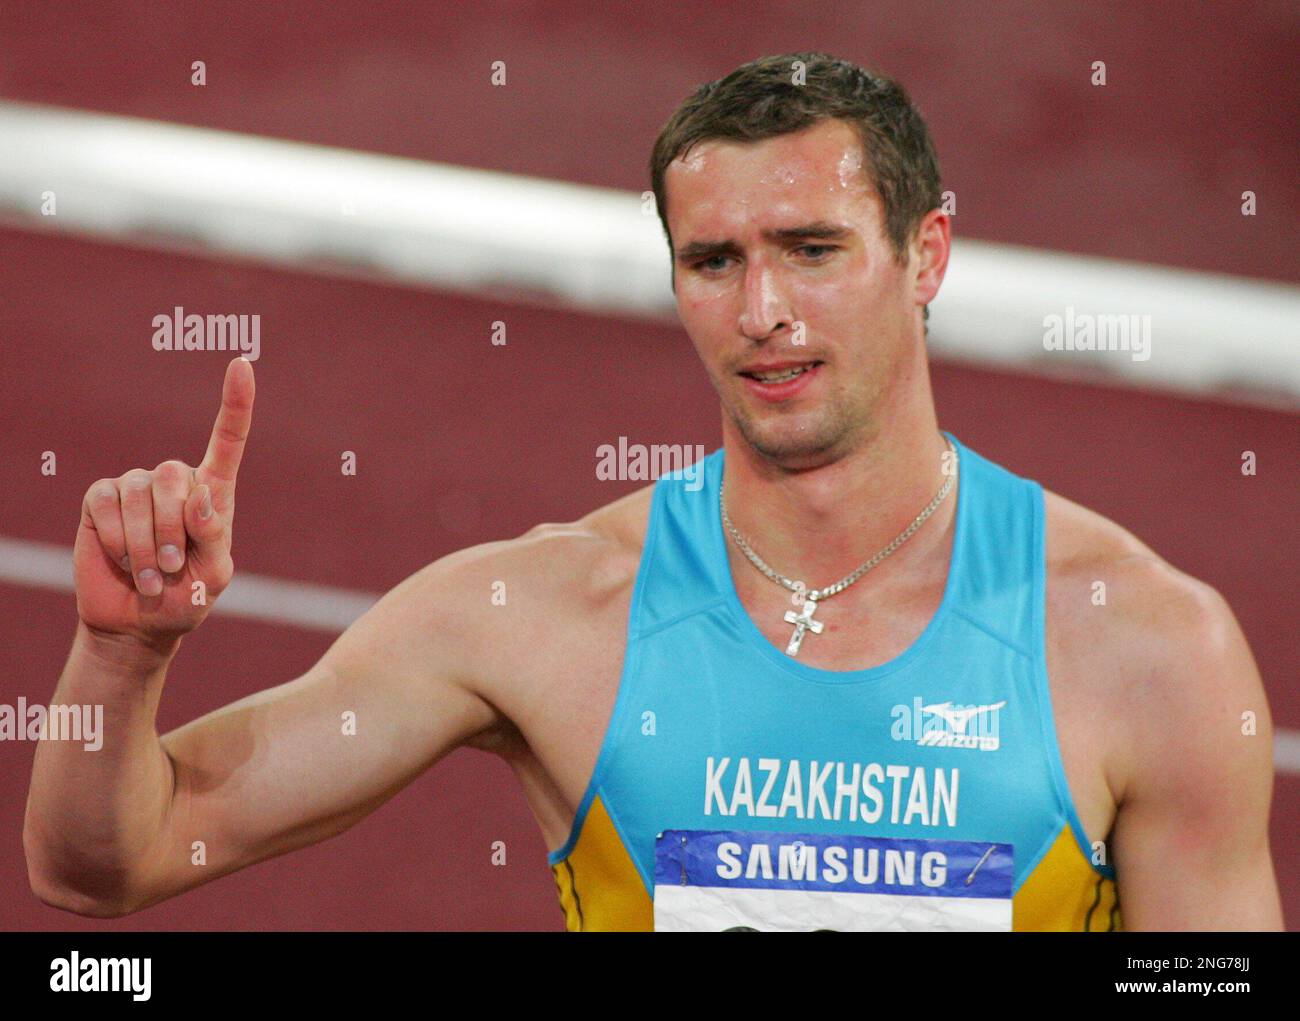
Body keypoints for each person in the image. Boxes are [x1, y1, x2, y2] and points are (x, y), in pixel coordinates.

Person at [24, 52, 1283, 931]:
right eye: (713, 261)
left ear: (925, 254)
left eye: (811, 249)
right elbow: (108, 862)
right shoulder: (540, 614)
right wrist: (120, 656)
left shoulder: (1140, 645)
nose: (763, 312)